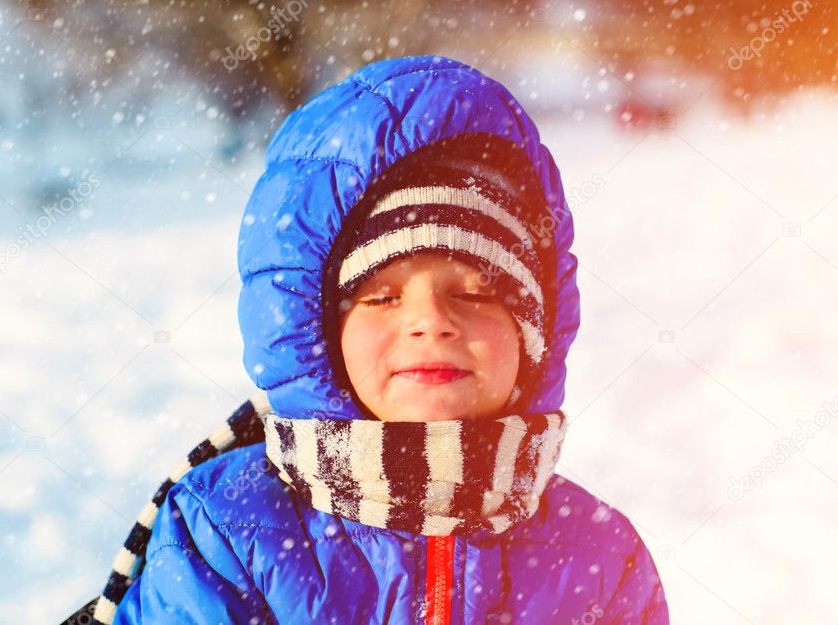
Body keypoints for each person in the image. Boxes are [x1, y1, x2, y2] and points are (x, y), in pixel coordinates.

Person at [102, 54, 670, 623]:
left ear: (533, 336)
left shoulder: (599, 558)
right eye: (380, 296)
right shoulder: (230, 531)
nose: (431, 323)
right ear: (315, 331)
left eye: (475, 293)